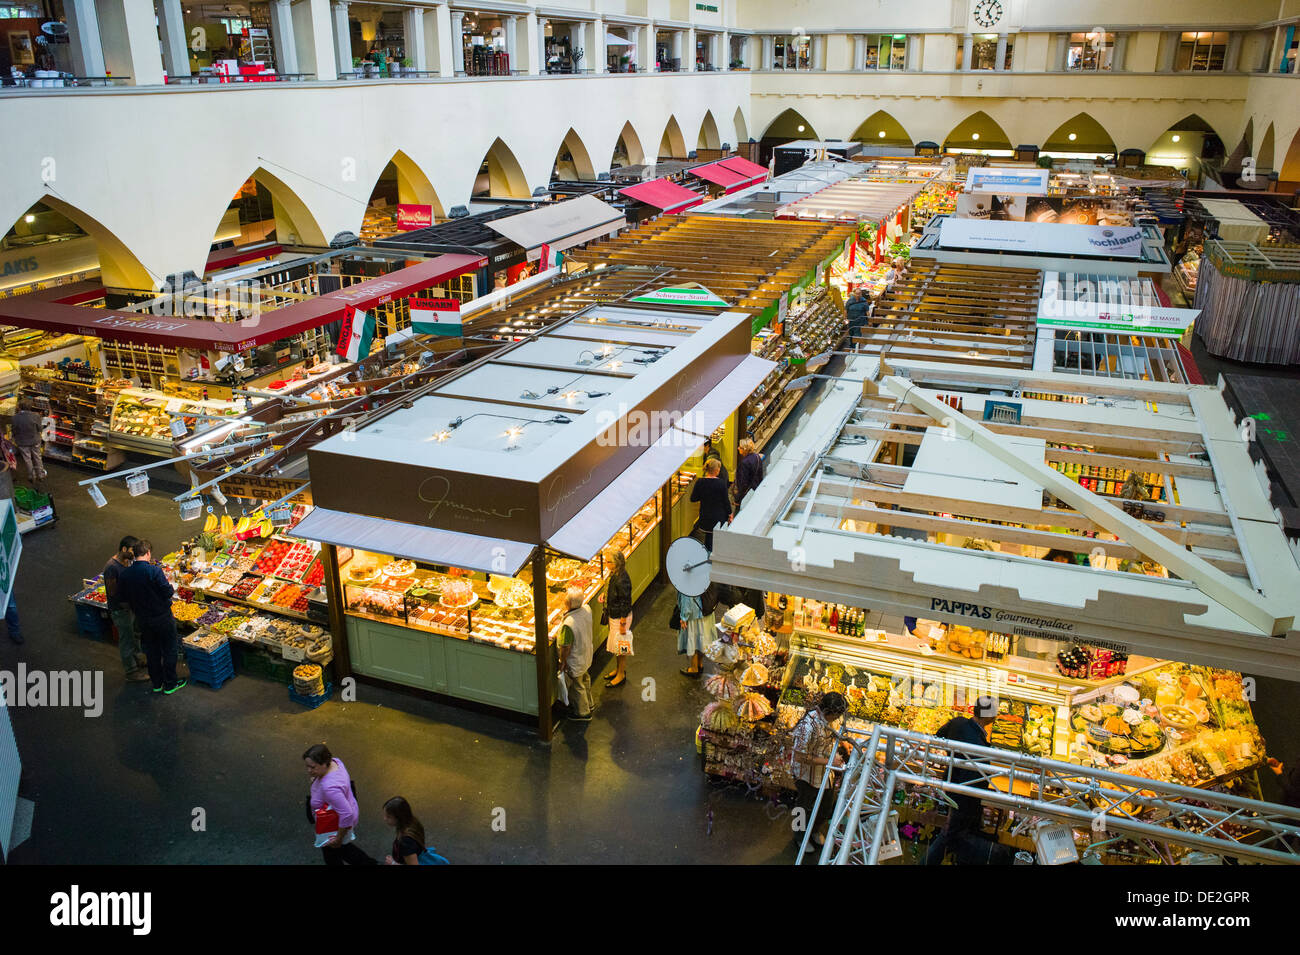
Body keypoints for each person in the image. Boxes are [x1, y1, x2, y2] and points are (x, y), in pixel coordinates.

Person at [924, 696, 998, 865]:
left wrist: (952, 756)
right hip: (964, 798)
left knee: (951, 836)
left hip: (951, 787)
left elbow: (939, 736)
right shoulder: (980, 747)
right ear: (988, 717)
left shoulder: (958, 723)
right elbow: (977, 780)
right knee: (950, 836)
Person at [117, 540, 186, 695]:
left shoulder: (125, 574)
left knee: (152, 651)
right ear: (148, 553)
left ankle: (157, 683)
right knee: (169, 649)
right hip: (162, 617)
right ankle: (170, 684)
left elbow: (122, 599)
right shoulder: (153, 571)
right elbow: (167, 592)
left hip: (143, 620)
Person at [790, 691, 850, 854]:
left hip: (824, 773)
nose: (838, 718)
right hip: (806, 775)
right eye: (837, 715)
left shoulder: (828, 721)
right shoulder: (807, 725)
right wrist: (830, 762)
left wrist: (843, 746)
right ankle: (799, 837)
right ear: (829, 712)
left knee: (825, 807)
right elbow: (799, 757)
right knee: (803, 808)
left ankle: (814, 830)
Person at [304, 743, 376, 865]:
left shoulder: (329, 788)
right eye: (307, 766)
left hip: (331, 826)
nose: (309, 770)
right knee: (339, 851)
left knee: (335, 851)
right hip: (337, 817)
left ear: (324, 764)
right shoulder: (335, 762)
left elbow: (347, 814)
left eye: (313, 767)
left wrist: (338, 838)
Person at [104, 535, 150, 682]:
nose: (134, 553)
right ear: (124, 549)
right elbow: (113, 593)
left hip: (131, 607)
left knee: (135, 634)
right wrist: (129, 603)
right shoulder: (112, 567)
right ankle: (131, 672)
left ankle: (138, 659)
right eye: (132, 550)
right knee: (126, 640)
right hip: (121, 610)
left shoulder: (128, 561)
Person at [556, 586, 594, 720]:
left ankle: (583, 712)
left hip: (576, 658)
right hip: (586, 653)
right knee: (585, 678)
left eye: (566, 597)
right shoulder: (587, 609)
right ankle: (589, 703)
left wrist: (562, 661)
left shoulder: (569, 624)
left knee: (577, 686)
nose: (564, 599)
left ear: (570, 603)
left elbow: (565, 647)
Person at [601, 551, 633, 688]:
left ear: (616, 563)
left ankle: (621, 674)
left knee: (621, 646)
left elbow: (626, 601)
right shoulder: (614, 574)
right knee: (617, 645)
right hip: (614, 616)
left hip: (620, 618)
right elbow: (614, 592)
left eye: (608, 561)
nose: (606, 564)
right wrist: (605, 596)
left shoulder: (622, 579)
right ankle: (618, 669)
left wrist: (623, 621)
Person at [690, 458, 732, 552]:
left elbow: (693, 498)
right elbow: (726, 501)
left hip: (705, 516)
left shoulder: (700, 482)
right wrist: (730, 514)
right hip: (719, 516)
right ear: (717, 470)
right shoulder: (721, 484)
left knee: (708, 537)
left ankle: (707, 554)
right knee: (716, 538)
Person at [677, 582, 718, 677]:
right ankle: (700, 664)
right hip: (707, 610)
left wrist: (684, 617)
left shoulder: (686, 578)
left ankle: (694, 668)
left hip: (694, 614)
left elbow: (687, 600)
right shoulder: (705, 571)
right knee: (702, 640)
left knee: (694, 640)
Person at [10, 399, 45, 485]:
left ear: (20, 407)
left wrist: (14, 438)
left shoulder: (15, 417)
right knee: (37, 457)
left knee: (27, 459)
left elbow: (14, 430)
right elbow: (40, 428)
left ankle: (32, 476)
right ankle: (40, 475)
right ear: (30, 406)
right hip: (35, 440)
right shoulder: (35, 416)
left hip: (22, 442)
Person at [382, 796, 426, 865]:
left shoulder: (406, 842)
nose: (385, 818)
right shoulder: (413, 822)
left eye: (388, 817)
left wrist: (393, 863)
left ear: (399, 818)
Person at [733, 438, 765, 509]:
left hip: (746, 494)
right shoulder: (757, 457)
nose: (738, 448)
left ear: (745, 449)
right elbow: (760, 475)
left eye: (740, 447)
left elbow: (743, 483)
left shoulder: (744, 463)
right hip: (755, 488)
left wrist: (738, 499)